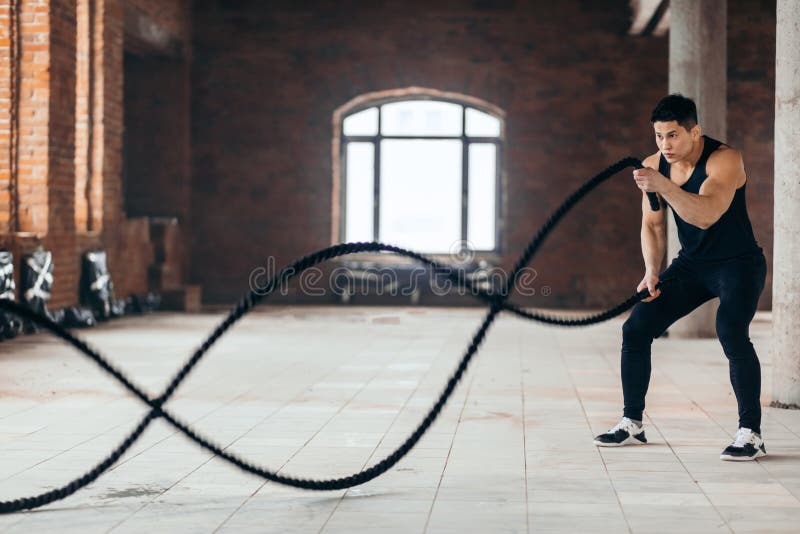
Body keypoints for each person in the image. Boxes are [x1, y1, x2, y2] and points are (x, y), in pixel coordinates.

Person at [592, 94, 767, 461]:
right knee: (636, 328)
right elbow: (652, 225)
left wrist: (663, 185)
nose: (664, 145)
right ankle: (631, 422)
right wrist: (652, 271)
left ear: (695, 131)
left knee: (731, 331)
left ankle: (751, 433)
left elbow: (704, 215)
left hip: (738, 264)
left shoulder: (725, 160)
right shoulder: (655, 165)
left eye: (672, 135)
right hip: (691, 266)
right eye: (658, 136)